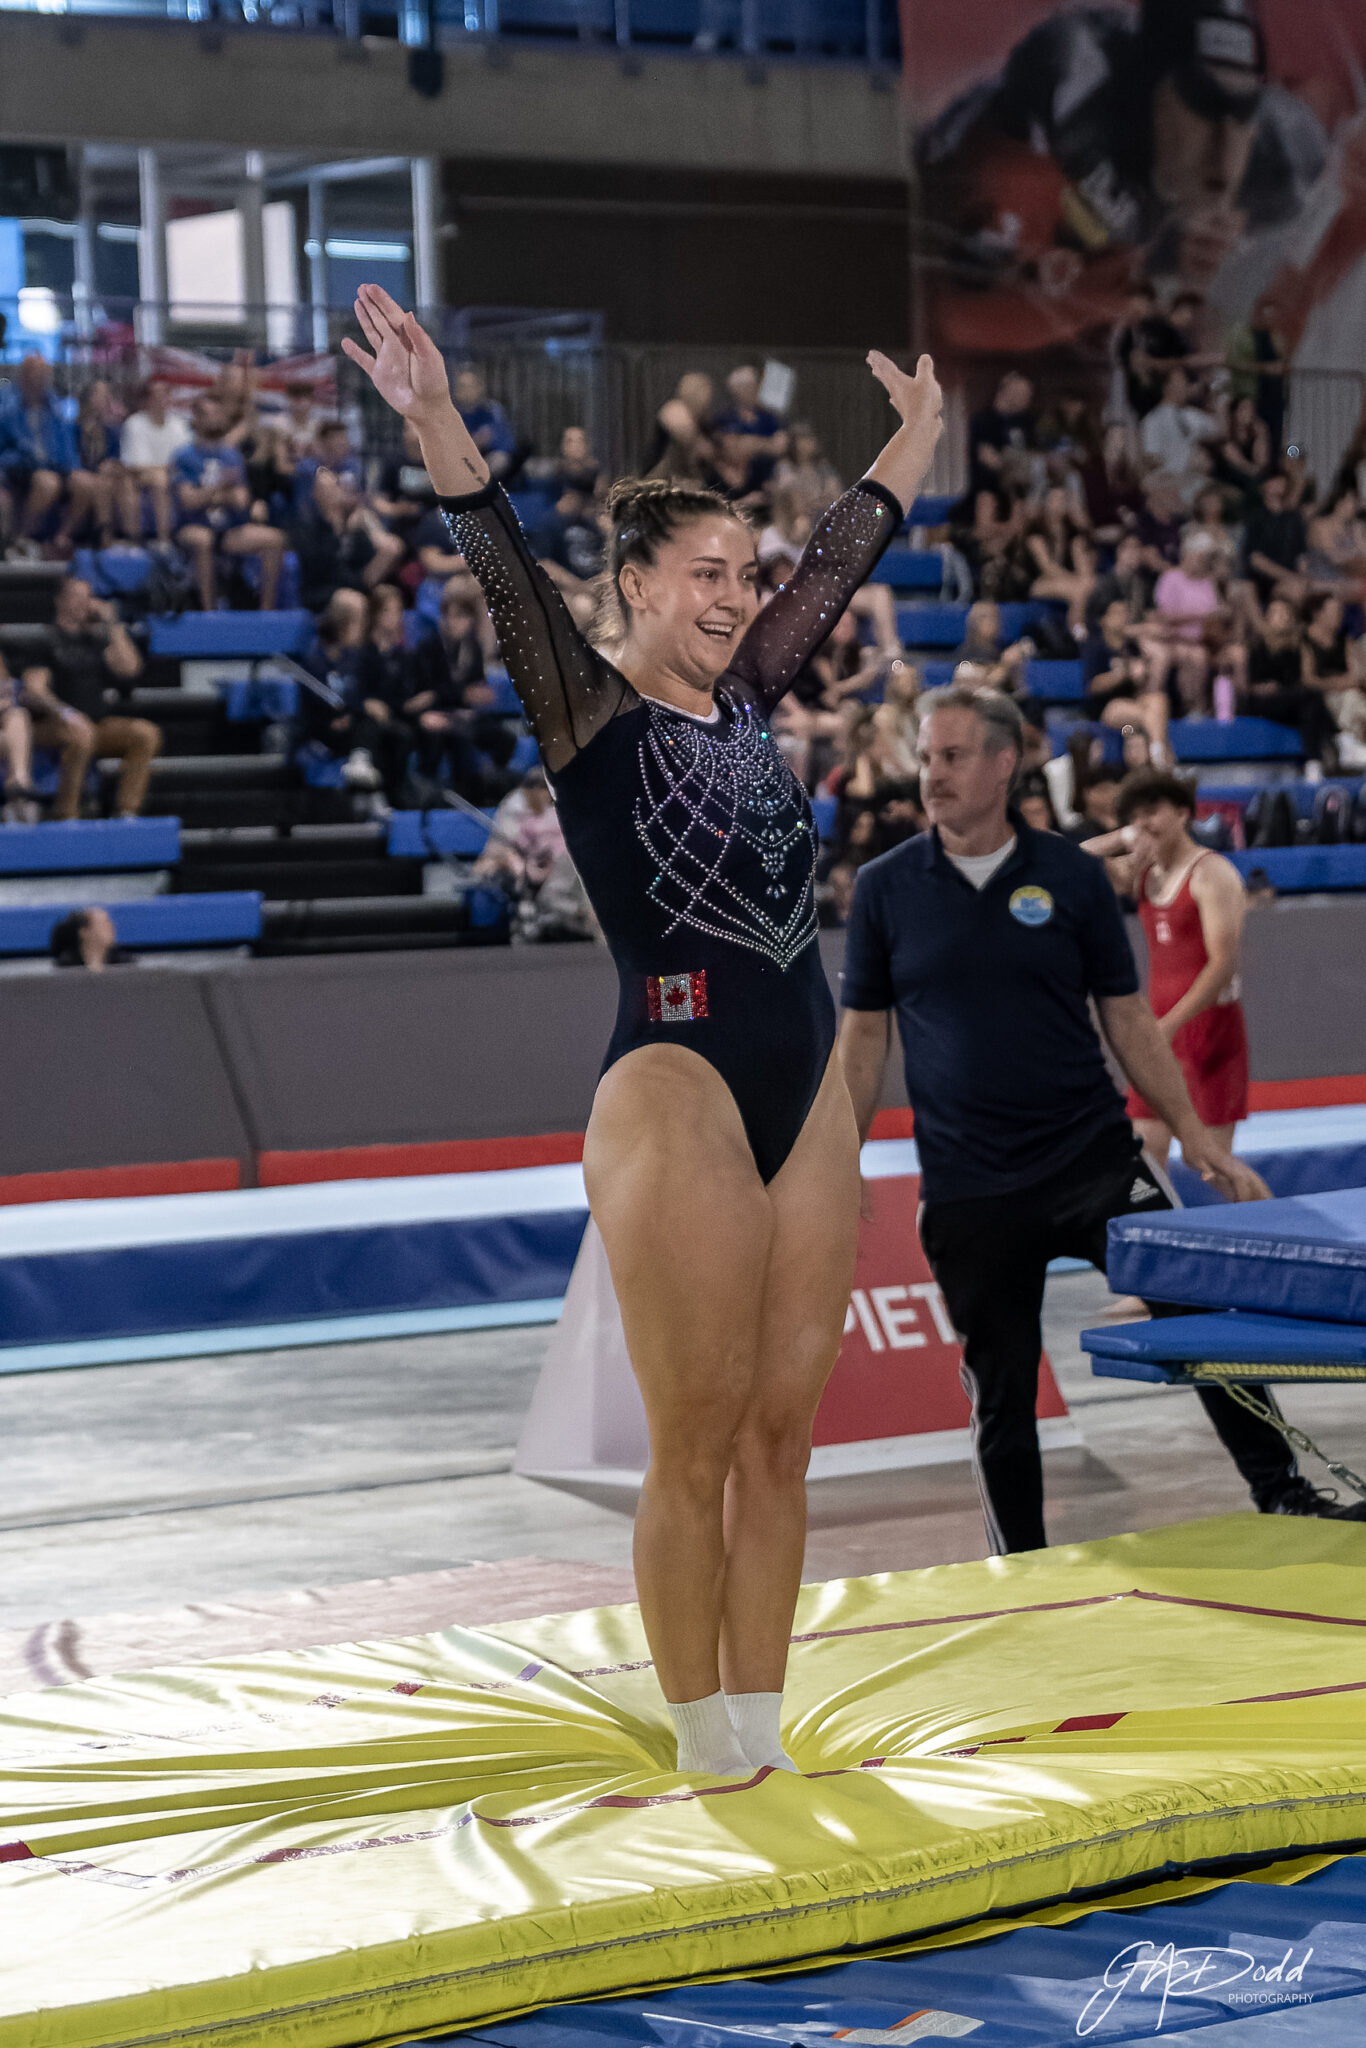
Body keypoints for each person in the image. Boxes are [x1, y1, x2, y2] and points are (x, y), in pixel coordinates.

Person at [344, 281, 944, 1777]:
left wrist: (916, 432)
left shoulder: (746, 703)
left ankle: (760, 1724)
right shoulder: (588, 715)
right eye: (703, 575)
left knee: (782, 1440)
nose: (739, 596)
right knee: (697, 1435)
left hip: (802, 1075)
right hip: (672, 1077)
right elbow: (498, 568)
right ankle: (697, 1745)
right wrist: (431, 414)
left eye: (743, 575)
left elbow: (842, 553)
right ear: (634, 586)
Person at [836, 685, 1349, 1555]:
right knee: (1000, 1390)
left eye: (952, 757)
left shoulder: (1070, 877)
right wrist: (833, 1165)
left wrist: (1192, 1136)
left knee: (1199, 1317)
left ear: (1004, 764)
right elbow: (862, 1041)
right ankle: (1023, 1567)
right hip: (970, 1187)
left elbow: (1128, 1019)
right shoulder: (886, 890)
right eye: (926, 757)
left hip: (1094, 1162)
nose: (932, 775)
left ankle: (1284, 1491)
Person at [1083, 768, 1248, 1171]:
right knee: (1143, 1159)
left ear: (1182, 813)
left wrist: (1169, 1025)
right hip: (1160, 1032)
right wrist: (1121, 837)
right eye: (1135, 815)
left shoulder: (1211, 874)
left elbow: (1222, 965)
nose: (1143, 823)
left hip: (1207, 1031)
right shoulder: (1141, 871)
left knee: (1211, 1165)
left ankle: (1269, 1227)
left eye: (1152, 811)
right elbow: (1069, 860)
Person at [21, 576, 159, 819]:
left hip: (96, 723)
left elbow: (130, 669)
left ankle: (127, 811)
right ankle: (67, 813)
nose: (87, 602)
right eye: (79, 596)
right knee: (82, 735)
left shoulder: (95, 640)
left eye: (89, 596)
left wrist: (113, 625)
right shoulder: (44, 641)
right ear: (60, 601)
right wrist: (67, 713)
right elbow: (34, 689)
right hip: (51, 723)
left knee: (145, 733)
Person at [172, 396, 286, 611]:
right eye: (208, 414)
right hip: (191, 527)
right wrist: (221, 487)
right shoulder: (184, 456)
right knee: (202, 540)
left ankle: (266, 610)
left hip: (228, 529)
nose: (215, 418)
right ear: (196, 420)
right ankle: (209, 611)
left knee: (274, 540)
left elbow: (241, 499)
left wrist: (209, 496)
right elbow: (188, 500)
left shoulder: (231, 456)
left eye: (217, 413)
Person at [0, 355, 100, 554]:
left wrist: (72, 467)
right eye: (37, 373)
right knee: (48, 482)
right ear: (25, 376)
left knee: (87, 483)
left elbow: (66, 444)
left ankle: (61, 536)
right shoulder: (8, 406)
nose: (42, 378)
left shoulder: (56, 408)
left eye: (45, 374)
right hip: (19, 467)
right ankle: (21, 538)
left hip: (54, 467)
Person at [118, 377, 192, 545]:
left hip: (175, 477)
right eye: (157, 395)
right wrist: (165, 470)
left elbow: (184, 461)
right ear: (147, 399)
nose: (161, 400)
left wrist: (168, 470)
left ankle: (167, 541)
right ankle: (151, 540)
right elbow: (135, 466)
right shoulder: (134, 424)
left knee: (164, 479)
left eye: (165, 395)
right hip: (141, 477)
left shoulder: (180, 425)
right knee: (157, 480)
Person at [49, 906, 130, 970]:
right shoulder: (65, 967)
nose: (111, 927)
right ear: (83, 932)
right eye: (105, 923)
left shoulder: (124, 963)